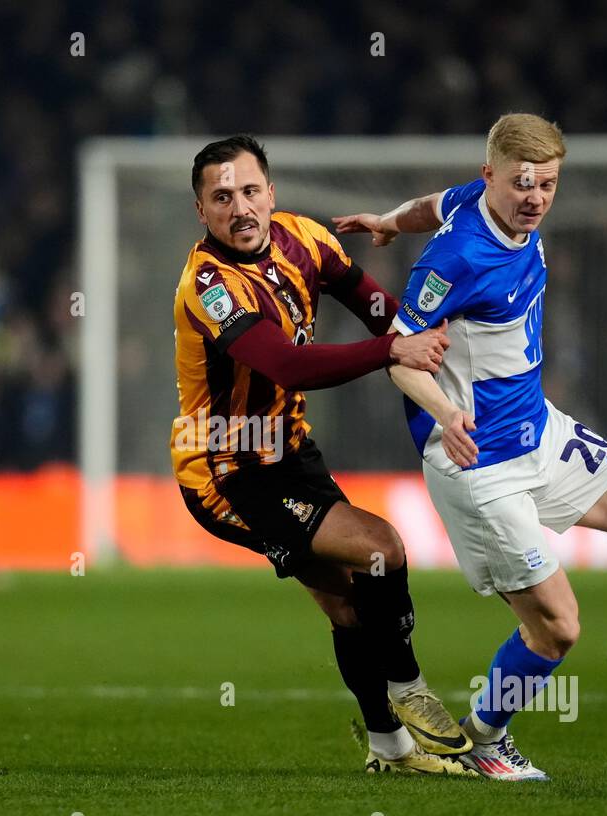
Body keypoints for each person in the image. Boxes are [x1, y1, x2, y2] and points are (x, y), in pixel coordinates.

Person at [335, 114, 607, 781]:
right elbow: (398, 356)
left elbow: (431, 204)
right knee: (557, 629)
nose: (536, 198)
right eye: (523, 184)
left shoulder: (479, 199)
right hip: (478, 461)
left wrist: (385, 219)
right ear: (492, 175)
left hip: (540, 432)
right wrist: (445, 412)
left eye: (547, 185)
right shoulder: (456, 257)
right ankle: (487, 735)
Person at [172, 135, 473, 776]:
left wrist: (419, 336)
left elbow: (377, 310)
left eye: (250, 191)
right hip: (228, 472)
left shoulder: (305, 239)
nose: (240, 208)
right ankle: (408, 689)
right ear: (202, 212)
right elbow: (287, 364)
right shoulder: (209, 285)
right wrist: (392, 352)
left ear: (271, 194)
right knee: (382, 548)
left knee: (347, 605)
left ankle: (389, 748)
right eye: (222, 198)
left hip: (291, 451)